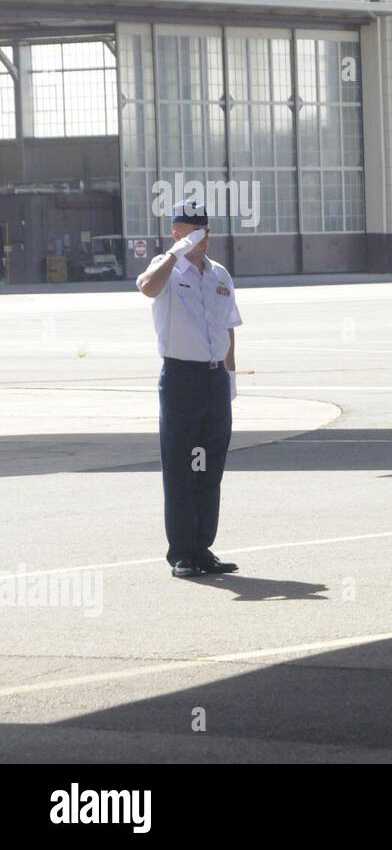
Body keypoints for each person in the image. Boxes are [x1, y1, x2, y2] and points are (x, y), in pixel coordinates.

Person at [135, 201, 242, 578]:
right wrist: (175, 254)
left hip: (214, 379)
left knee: (210, 468)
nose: (199, 238)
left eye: (203, 231)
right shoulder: (164, 270)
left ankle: (203, 547)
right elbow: (148, 289)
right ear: (176, 233)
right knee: (182, 467)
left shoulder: (219, 274)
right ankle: (182, 552)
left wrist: (230, 376)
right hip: (181, 380)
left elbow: (228, 326)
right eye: (189, 231)